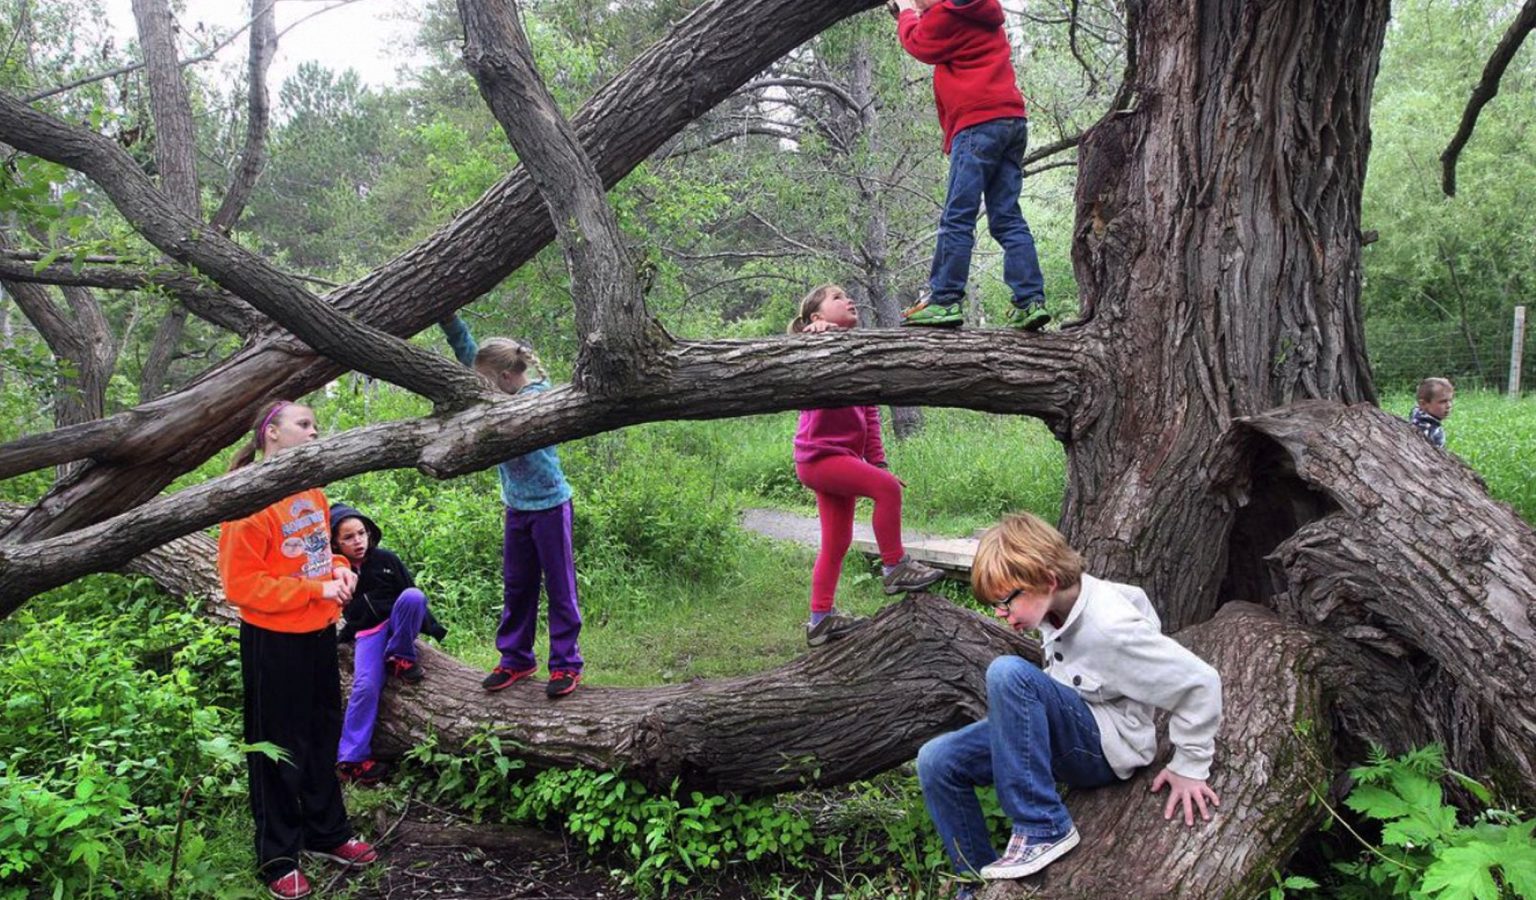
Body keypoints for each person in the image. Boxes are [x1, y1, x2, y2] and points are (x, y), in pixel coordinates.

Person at [916, 513, 1222, 889]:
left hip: (1105, 750)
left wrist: (1190, 764)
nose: (999, 613)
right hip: (1069, 727)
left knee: (1007, 673)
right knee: (937, 760)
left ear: (1047, 579)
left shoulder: (1109, 628)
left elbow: (1201, 683)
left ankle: (1042, 827)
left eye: (1006, 601)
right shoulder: (1057, 605)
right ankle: (975, 884)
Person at [217, 400, 378, 900]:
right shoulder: (247, 499)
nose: (314, 433)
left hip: (316, 634)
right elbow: (240, 585)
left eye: (315, 425)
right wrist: (316, 591)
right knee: (277, 746)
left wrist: (337, 568)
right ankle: (278, 857)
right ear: (272, 432)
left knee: (321, 732)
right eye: (303, 425)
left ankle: (327, 833)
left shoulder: (309, 488)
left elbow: (314, 552)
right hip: (272, 640)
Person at [789, 284, 945, 645]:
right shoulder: (817, 344)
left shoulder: (860, 358)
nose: (849, 300)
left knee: (837, 540)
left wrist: (879, 463)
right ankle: (895, 567)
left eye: (848, 295)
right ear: (817, 317)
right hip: (818, 456)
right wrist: (817, 337)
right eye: (838, 298)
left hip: (840, 459)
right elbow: (802, 351)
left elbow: (871, 419)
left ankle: (820, 620)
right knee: (885, 491)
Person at [440, 315, 585, 698]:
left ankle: (566, 664)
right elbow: (469, 354)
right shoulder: (498, 387)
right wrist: (448, 317)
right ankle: (516, 658)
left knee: (560, 587)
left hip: (551, 507)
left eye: (486, 383)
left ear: (505, 378)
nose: (481, 390)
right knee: (517, 585)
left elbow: (509, 409)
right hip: (517, 509)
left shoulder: (538, 398)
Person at [890, 0, 1049, 332]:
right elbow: (933, 30)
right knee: (1006, 216)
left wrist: (905, 12)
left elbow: (919, 43)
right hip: (1011, 121)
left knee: (958, 215)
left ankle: (945, 300)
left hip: (977, 124)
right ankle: (1030, 300)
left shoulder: (947, 14)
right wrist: (914, 14)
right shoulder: (980, 9)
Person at [330, 502, 449, 786]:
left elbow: (412, 594)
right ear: (335, 543)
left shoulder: (386, 560)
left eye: (361, 533)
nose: (357, 541)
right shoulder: (335, 573)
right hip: (368, 632)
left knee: (413, 596)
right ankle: (351, 758)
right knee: (365, 685)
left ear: (370, 533)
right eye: (348, 537)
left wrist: (432, 627)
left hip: (398, 625)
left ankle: (400, 657)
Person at [1409, 377, 1454, 449]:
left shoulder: (1417, 414)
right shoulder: (1427, 431)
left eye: (1450, 400)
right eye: (1442, 402)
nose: (1449, 406)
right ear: (1423, 404)